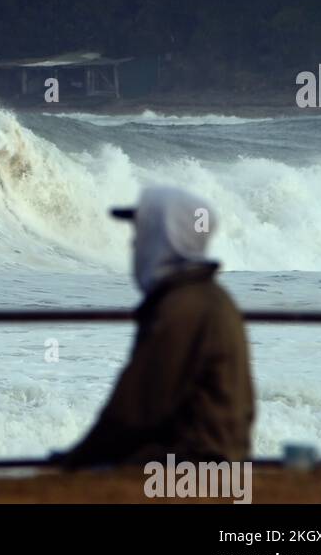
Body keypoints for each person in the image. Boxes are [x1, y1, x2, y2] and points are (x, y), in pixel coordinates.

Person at [50, 186, 254, 468]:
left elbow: (134, 410)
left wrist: (74, 462)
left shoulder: (184, 307)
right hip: (216, 458)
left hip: (193, 467)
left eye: (141, 232)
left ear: (166, 238)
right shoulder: (207, 296)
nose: (133, 244)